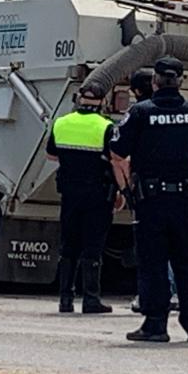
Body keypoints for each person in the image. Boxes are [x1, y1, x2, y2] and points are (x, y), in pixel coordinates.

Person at [111, 57, 188, 342]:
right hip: (186, 201)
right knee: (187, 263)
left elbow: (117, 149)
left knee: (154, 263)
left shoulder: (141, 112)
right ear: (182, 81)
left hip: (152, 202)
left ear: (155, 82)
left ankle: (156, 324)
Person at [46, 84, 117, 314]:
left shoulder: (61, 123)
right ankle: (91, 299)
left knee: (69, 246)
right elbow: (115, 159)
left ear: (78, 99)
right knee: (92, 247)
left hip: (69, 194)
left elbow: (51, 154)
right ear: (102, 102)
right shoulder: (106, 126)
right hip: (97, 195)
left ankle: (65, 299)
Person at [127, 68, 177, 314]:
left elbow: (118, 154)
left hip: (148, 193)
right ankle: (183, 300)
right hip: (183, 193)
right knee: (181, 249)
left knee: (151, 250)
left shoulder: (138, 113)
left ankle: (151, 299)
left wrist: (124, 189)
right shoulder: (187, 112)